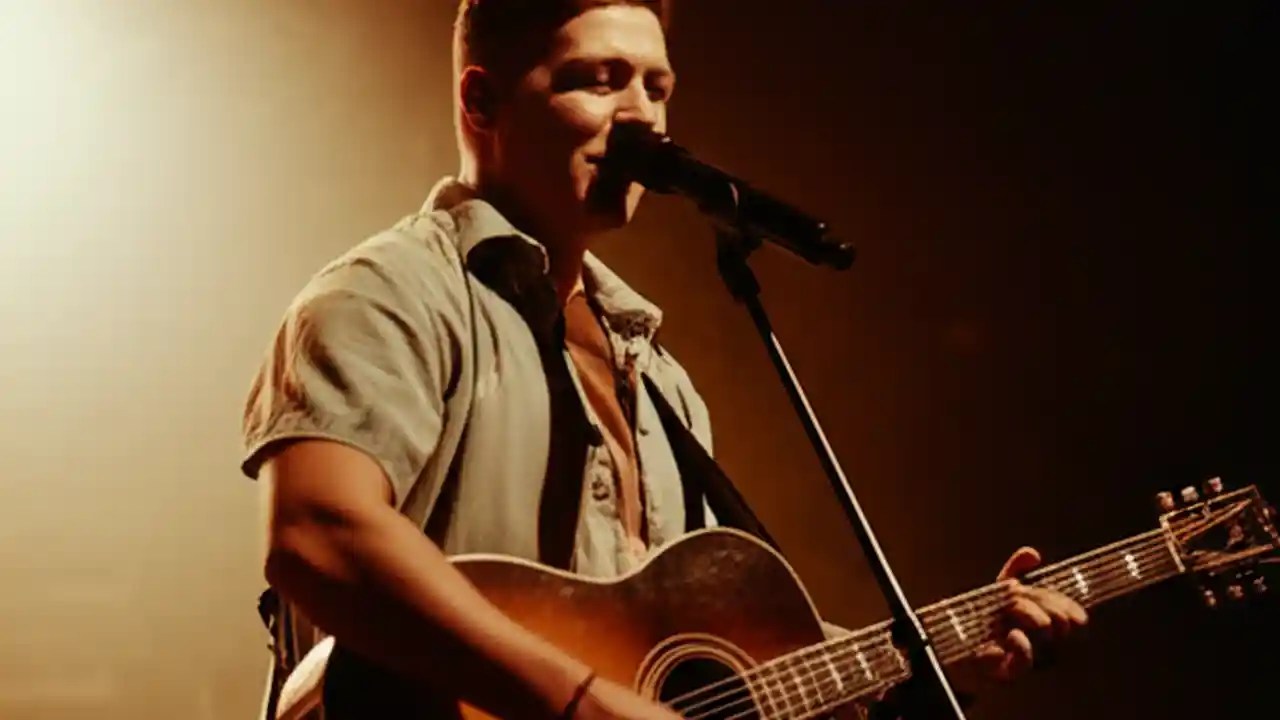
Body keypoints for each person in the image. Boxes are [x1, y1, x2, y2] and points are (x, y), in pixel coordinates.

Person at [240, 1, 1088, 718]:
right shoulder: (388, 294)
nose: (643, 116)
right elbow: (319, 533)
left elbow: (715, 670)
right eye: (599, 79)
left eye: (658, 86)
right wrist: (582, 702)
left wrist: (932, 664)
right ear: (482, 102)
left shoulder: (661, 380)